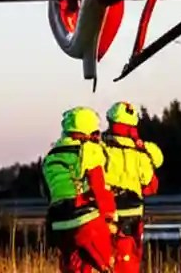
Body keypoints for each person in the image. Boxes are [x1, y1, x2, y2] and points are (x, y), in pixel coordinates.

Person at [42, 106, 117, 273]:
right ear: (88, 130)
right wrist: (110, 219)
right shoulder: (89, 150)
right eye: (96, 132)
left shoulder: (51, 156)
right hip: (85, 220)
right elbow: (99, 187)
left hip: (58, 223)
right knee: (107, 266)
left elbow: (48, 192)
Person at [101, 101, 164, 273]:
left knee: (105, 260)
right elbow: (149, 183)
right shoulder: (141, 153)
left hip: (108, 213)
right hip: (134, 213)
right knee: (131, 257)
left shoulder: (101, 148)